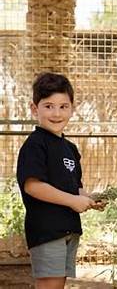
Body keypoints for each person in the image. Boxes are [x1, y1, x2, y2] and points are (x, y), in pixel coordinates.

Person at [16, 72, 98, 289]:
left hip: (69, 228)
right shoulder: (35, 145)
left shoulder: (70, 149)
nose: (56, 113)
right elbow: (33, 186)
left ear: (72, 108)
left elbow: (75, 188)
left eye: (63, 106)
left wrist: (90, 198)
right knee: (50, 284)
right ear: (35, 109)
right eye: (49, 106)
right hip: (46, 230)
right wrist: (72, 201)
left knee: (58, 284)